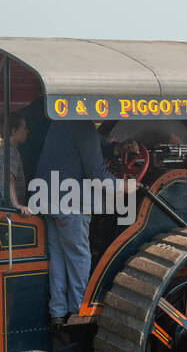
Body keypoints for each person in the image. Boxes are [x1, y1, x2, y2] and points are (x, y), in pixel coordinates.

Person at [33, 119, 132, 327]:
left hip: (46, 199)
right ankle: (79, 312)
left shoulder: (61, 122)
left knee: (58, 257)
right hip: (69, 202)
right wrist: (127, 186)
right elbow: (97, 175)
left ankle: (58, 313)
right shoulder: (84, 127)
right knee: (79, 257)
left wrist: (116, 148)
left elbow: (92, 144)